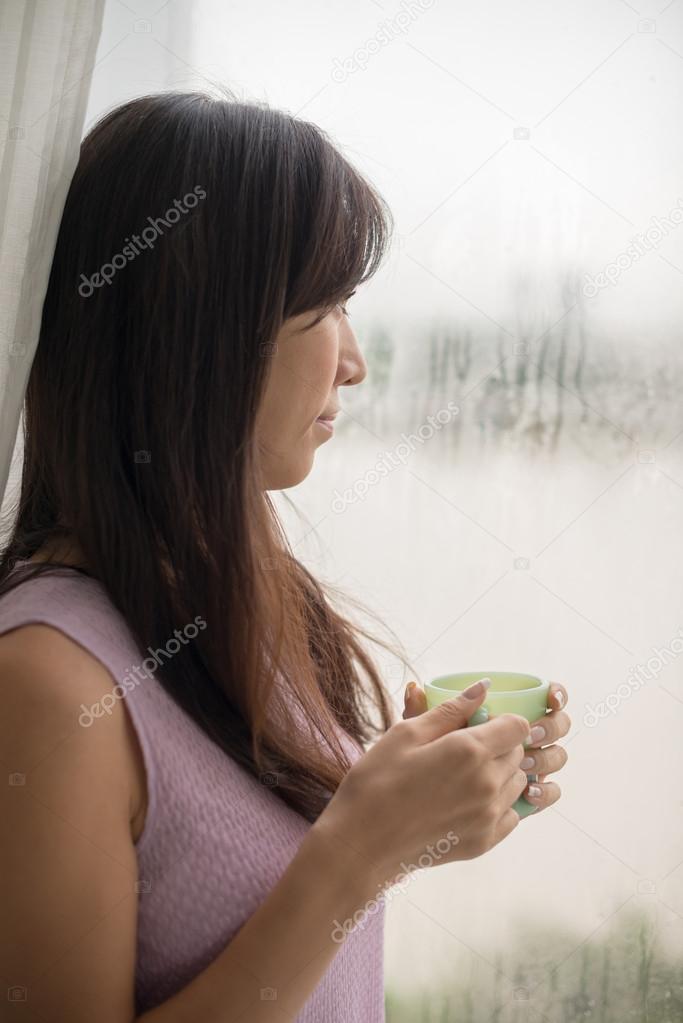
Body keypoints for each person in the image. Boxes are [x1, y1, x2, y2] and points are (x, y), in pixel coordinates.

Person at [0, 90, 570, 1023]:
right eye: (325, 307)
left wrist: (421, 806)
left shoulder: (234, 598)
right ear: (200, 334)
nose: (353, 361)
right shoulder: (44, 686)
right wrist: (356, 853)